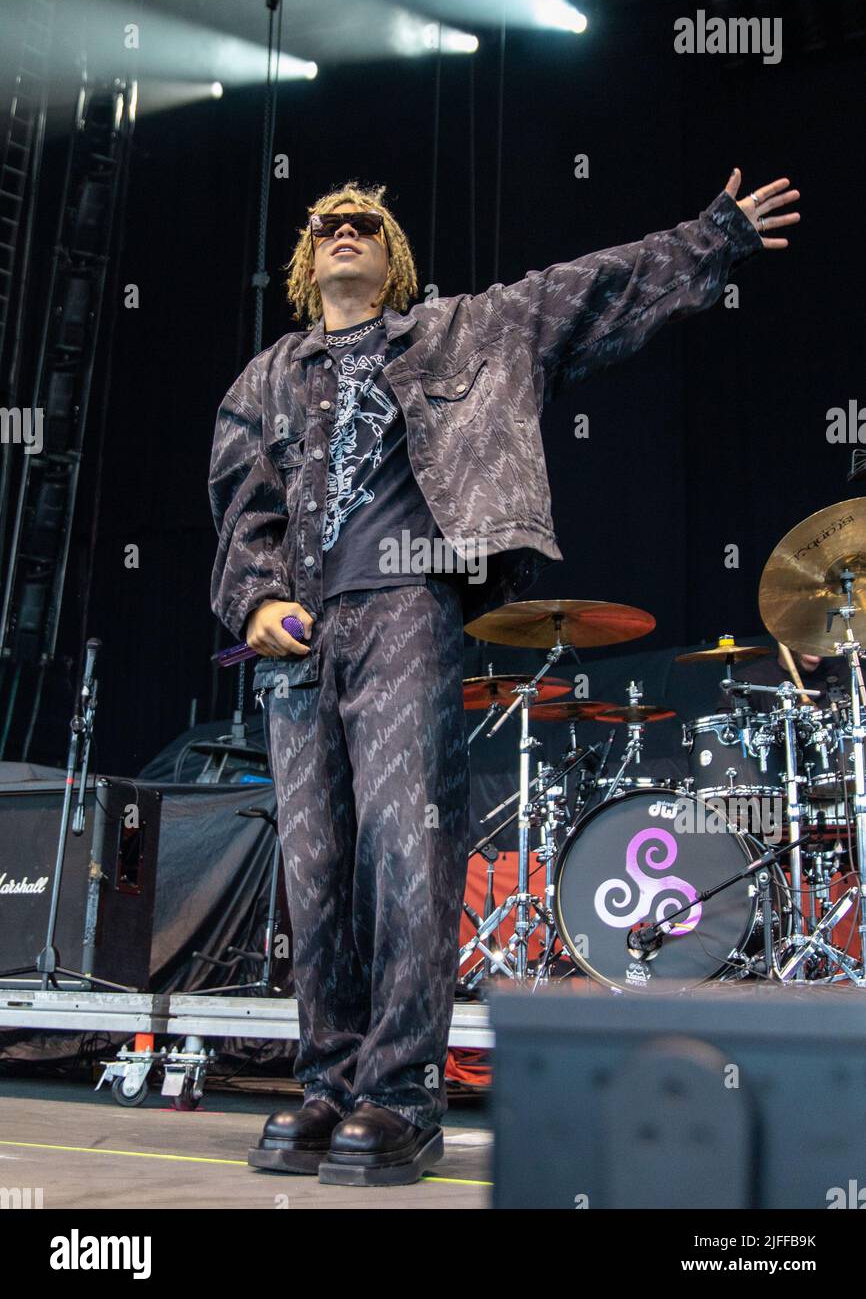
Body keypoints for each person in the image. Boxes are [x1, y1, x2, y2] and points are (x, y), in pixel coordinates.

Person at [208, 169, 799, 1185]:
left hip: (405, 610)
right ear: (307, 256)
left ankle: (397, 1099)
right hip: (302, 638)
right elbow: (240, 502)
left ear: (390, 254)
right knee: (313, 869)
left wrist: (713, 237)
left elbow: (593, 287)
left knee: (403, 853)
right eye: (326, 224)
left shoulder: (462, 333)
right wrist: (257, 600)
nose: (345, 231)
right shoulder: (265, 377)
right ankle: (325, 1083)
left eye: (365, 224)